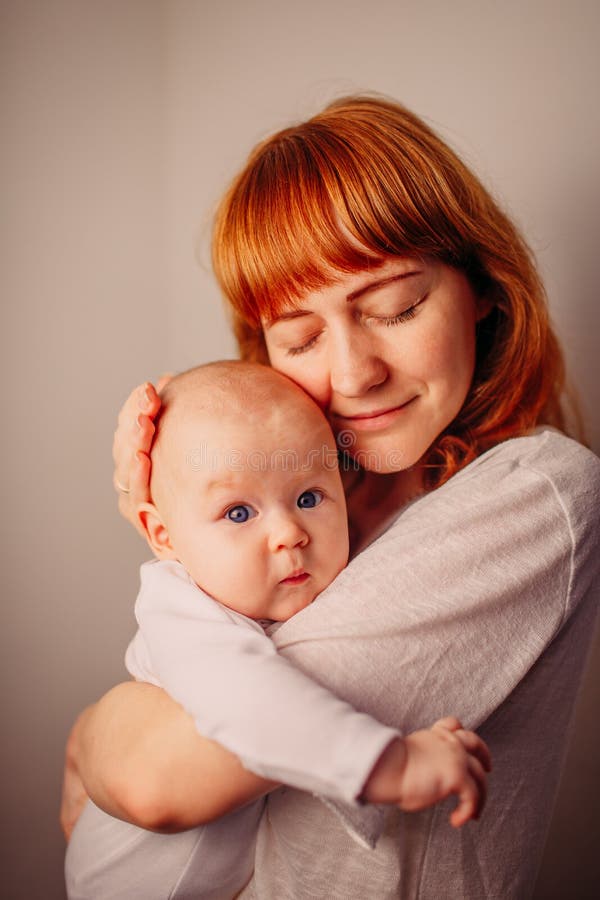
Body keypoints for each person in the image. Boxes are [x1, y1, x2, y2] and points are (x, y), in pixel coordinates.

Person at [61, 95, 600, 899]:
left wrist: (87, 737)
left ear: (484, 287)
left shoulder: (535, 495)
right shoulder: (309, 497)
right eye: (301, 338)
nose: (352, 375)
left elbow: (164, 781)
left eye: (395, 308)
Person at [65, 360, 490, 900]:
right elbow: (252, 704)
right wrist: (392, 766)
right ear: (161, 534)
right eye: (239, 512)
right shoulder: (180, 609)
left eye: (309, 498)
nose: (290, 533)